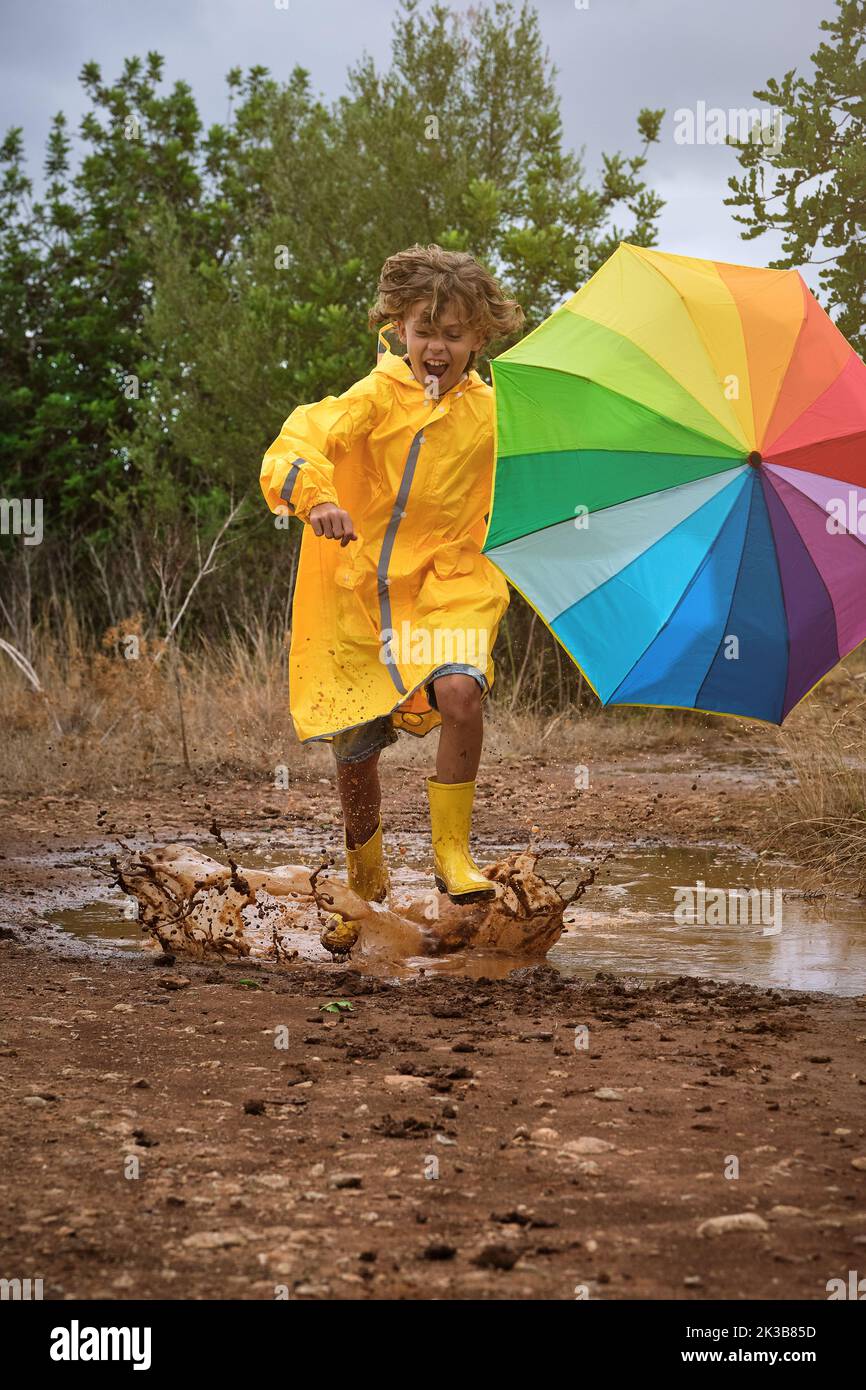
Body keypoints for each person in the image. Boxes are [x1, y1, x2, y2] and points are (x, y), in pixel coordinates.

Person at [260, 243, 524, 950]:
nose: (438, 347)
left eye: (456, 333)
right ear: (399, 328)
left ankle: (452, 855)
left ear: (480, 336)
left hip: (452, 584)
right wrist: (314, 500)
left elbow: (554, 467)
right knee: (357, 752)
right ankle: (365, 882)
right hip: (361, 593)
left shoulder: (497, 414)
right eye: (424, 329)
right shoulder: (375, 396)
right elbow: (301, 438)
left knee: (463, 694)